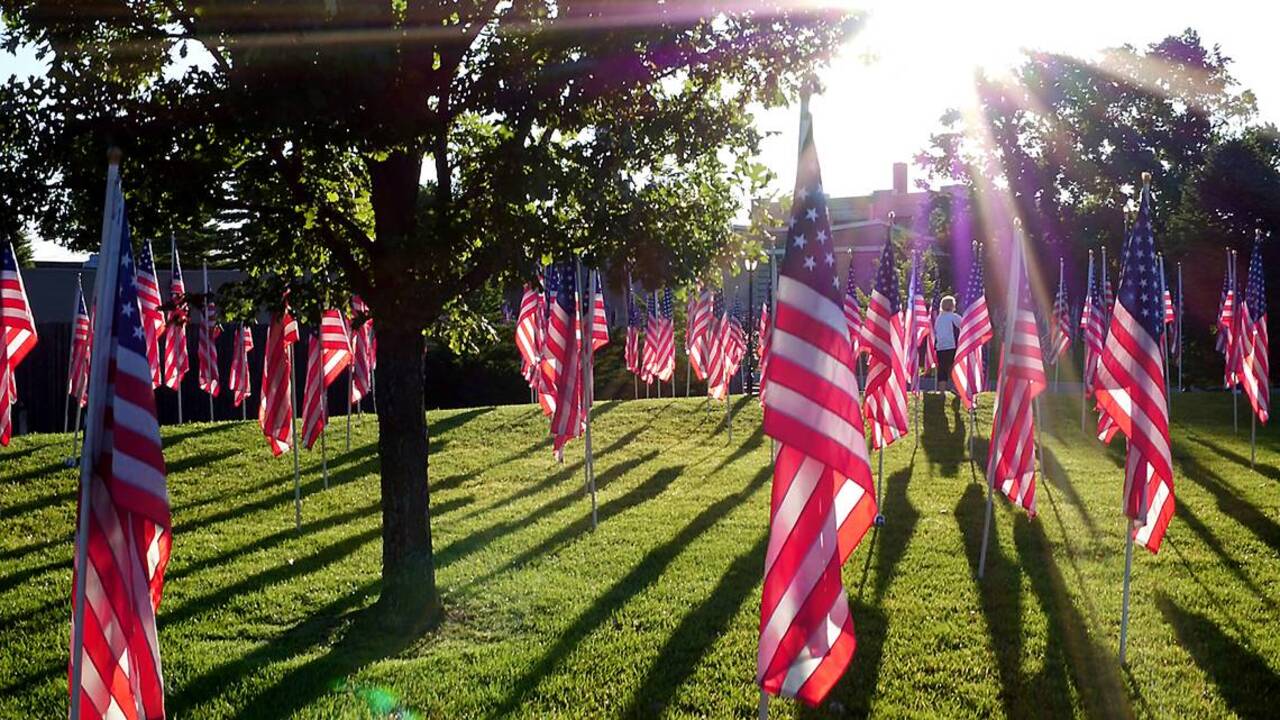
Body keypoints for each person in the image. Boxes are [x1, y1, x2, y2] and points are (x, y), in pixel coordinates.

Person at [934, 295, 962, 393]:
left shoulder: (938, 318)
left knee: (942, 368)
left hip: (940, 347)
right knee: (954, 367)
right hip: (952, 346)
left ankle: (942, 390)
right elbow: (963, 325)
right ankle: (956, 387)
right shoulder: (953, 317)